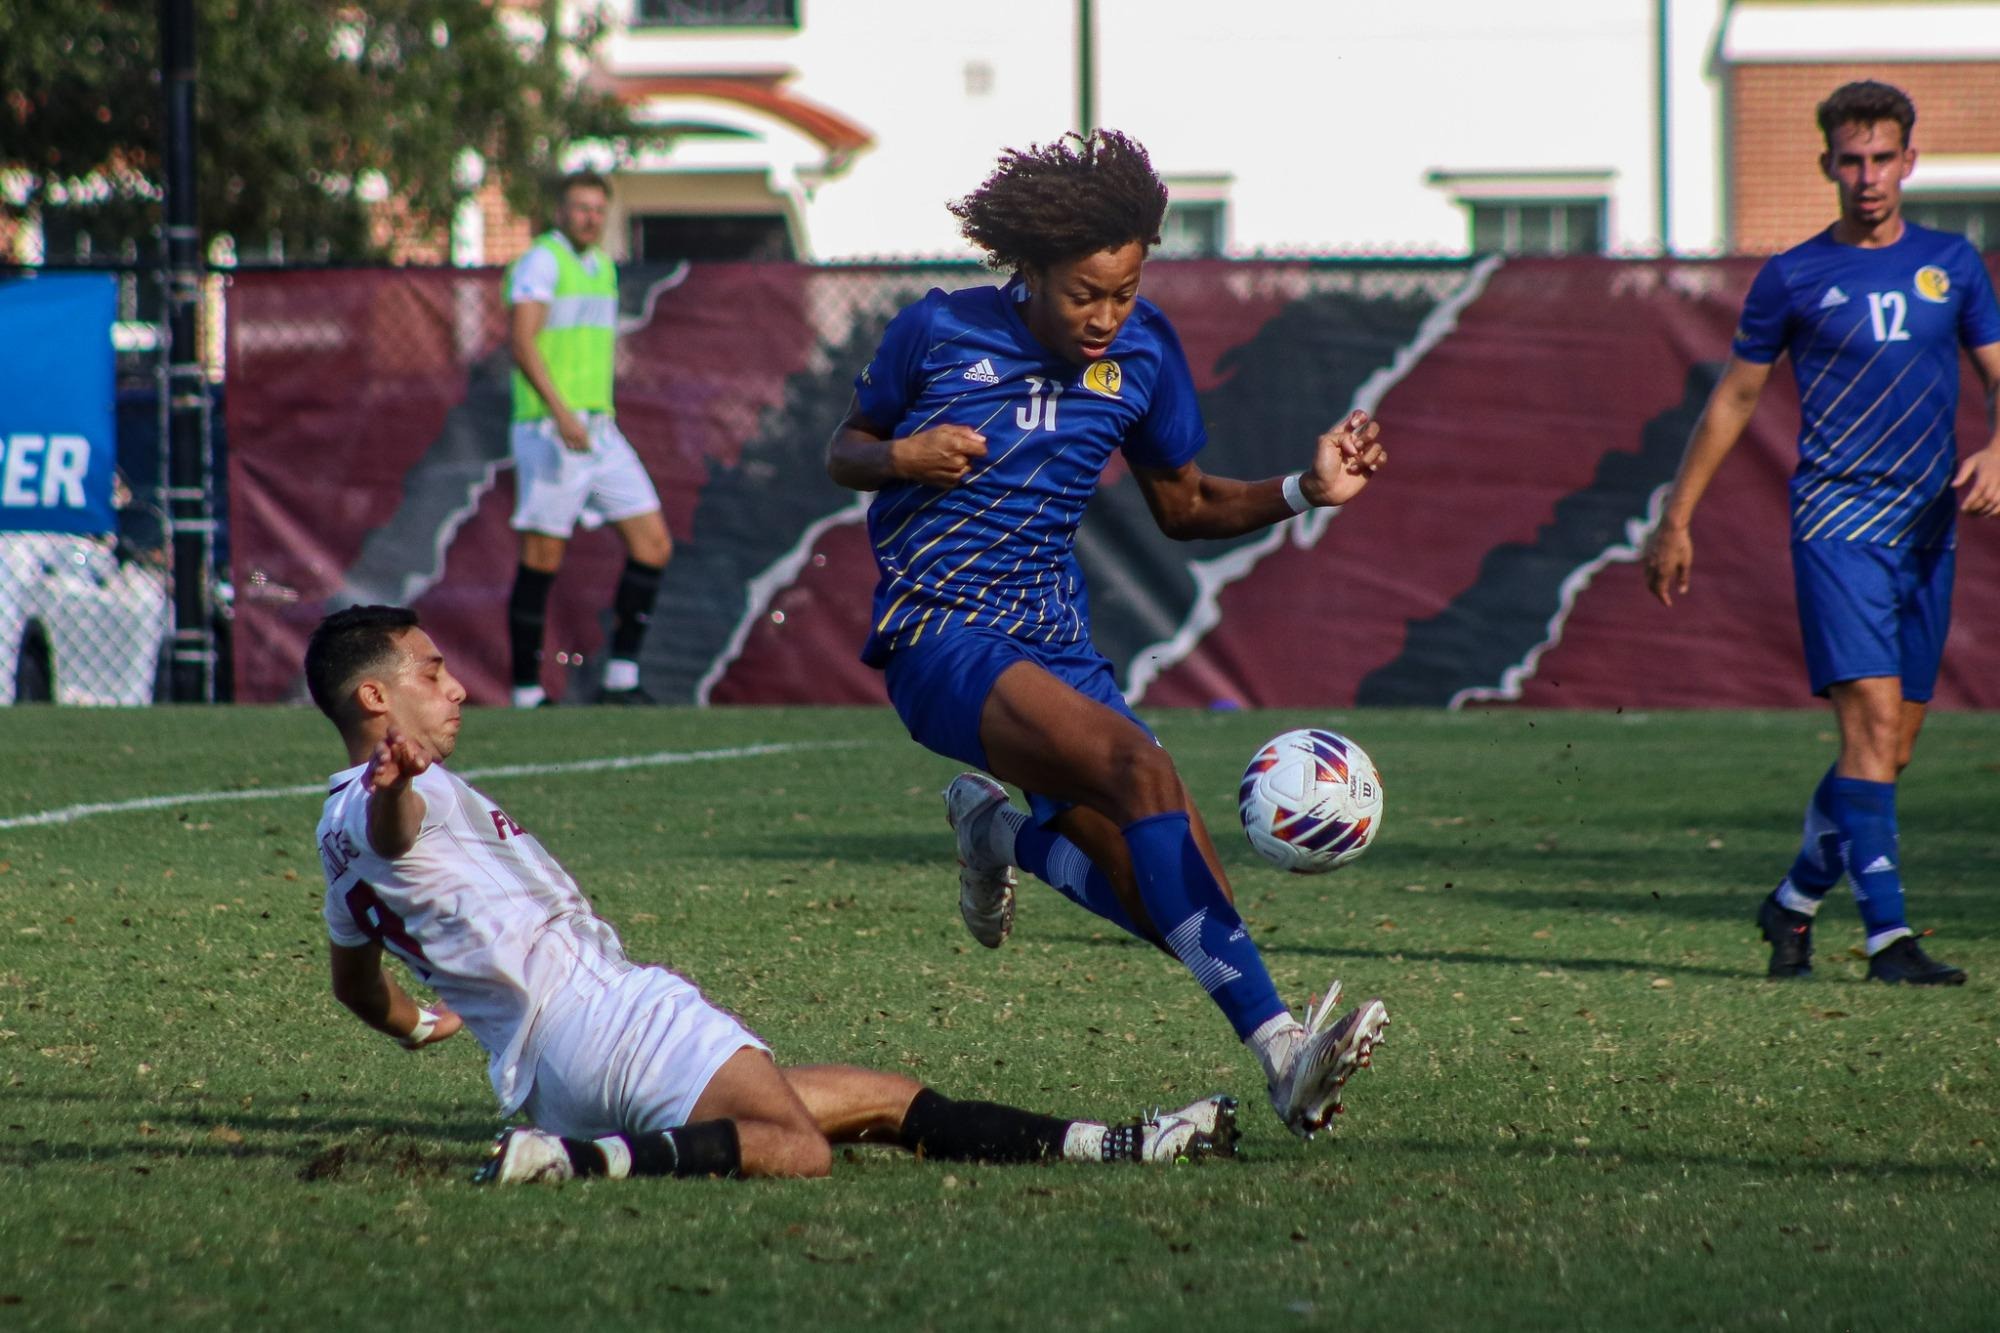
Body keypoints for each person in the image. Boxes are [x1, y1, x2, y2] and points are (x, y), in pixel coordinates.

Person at [823, 130, 1389, 1139]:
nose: (1106, 314)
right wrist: (903, 453)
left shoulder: (1142, 350)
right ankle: (1282, 1051)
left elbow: (1185, 505)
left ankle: (999, 833)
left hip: (1056, 642)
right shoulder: (936, 329)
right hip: (939, 632)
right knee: (1140, 773)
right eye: (1084, 292)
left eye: (1124, 290)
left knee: (1160, 884)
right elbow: (845, 450)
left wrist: (1305, 489)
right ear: (1028, 269)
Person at [304, 605, 1238, 1184]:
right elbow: (399, 828)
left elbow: (354, 984)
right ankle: (574, 1161)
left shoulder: (340, 827)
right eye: (431, 670)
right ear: (376, 700)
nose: (456, 685)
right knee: (797, 1148)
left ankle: (1130, 1145)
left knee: (886, 1098)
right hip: (606, 1018)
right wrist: (395, 789)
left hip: (556, 1075)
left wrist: (423, 1024)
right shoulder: (382, 798)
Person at [1642, 81, 2000, 986]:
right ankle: (1890, 940)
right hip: (1837, 520)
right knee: (1872, 725)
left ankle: (1794, 901)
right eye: (1851, 160)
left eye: (1883, 158)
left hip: (1927, 528)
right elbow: (1734, 398)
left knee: (1891, 749)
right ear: (1826, 166)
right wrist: (1676, 516)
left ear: (1910, 162)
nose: (1868, 176)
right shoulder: (1793, 275)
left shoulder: (1954, 265)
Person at [504, 170, 672, 708]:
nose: (590, 218)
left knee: (652, 543)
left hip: (598, 428)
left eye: (598, 209)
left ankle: (621, 678)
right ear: (560, 211)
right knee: (542, 556)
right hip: (550, 428)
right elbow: (522, 343)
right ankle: (526, 691)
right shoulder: (542, 260)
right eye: (580, 207)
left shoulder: (601, 267)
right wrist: (561, 413)